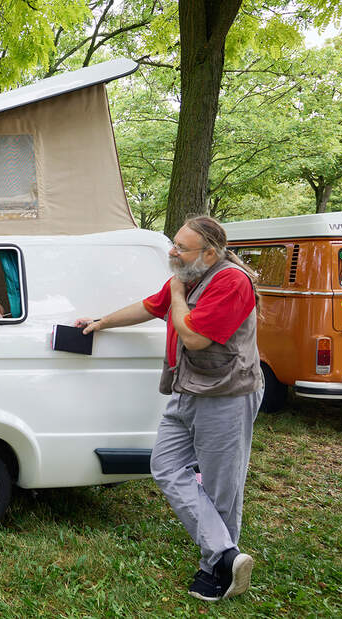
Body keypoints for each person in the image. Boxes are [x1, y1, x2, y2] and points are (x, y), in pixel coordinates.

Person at [76, 216, 262, 601]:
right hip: (187, 390)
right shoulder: (189, 274)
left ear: (210, 253)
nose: (172, 252)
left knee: (220, 486)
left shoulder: (230, 281)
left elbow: (193, 336)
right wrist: (101, 322)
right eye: (174, 243)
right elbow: (149, 306)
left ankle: (216, 573)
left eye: (181, 247)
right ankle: (226, 554)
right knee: (164, 465)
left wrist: (177, 294)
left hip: (226, 395)